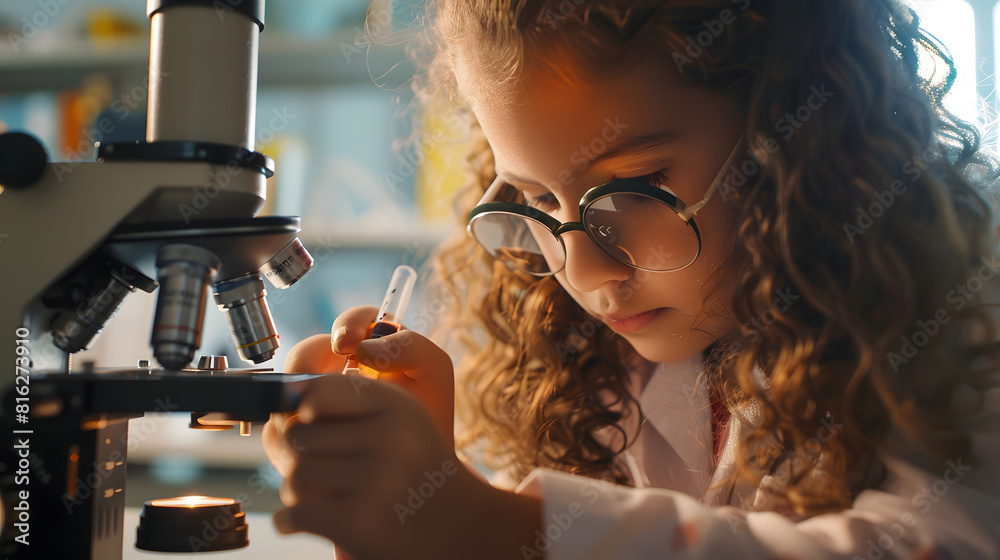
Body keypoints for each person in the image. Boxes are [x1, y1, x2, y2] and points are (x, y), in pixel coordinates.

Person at [262, 0, 1000, 558]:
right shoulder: (599, 364)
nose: (581, 270)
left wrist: (498, 528)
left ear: (796, 133)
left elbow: (939, 543)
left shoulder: (963, 310)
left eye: (638, 183)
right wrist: (414, 502)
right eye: (538, 199)